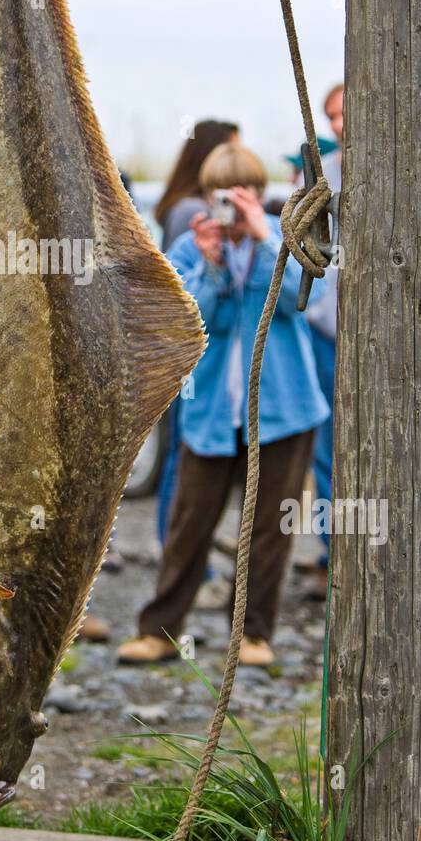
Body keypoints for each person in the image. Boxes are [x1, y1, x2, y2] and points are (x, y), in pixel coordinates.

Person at [117, 143, 329, 669]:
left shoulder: (282, 243)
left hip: (284, 410)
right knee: (190, 524)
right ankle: (161, 631)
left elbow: (296, 306)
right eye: (222, 196)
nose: (233, 205)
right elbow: (192, 323)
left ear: (260, 196)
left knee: (269, 530)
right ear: (206, 199)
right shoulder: (191, 249)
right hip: (212, 413)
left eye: (246, 193)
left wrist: (264, 241)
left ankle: (253, 636)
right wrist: (211, 266)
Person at [154, 121, 240, 548]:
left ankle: (178, 546)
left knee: (176, 452)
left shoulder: (178, 205)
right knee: (178, 458)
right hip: (191, 361)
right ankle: (176, 544)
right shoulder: (193, 214)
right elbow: (179, 291)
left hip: (181, 356)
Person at [304, 83, 344, 596]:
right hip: (324, 330)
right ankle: (333, 550)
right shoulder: (321, 175)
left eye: (344, 113)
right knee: (326, 447)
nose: (338, 124)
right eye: (331, 116)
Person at [156, 120, 240, 253]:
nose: (241, 160)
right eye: (232, 153)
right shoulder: (192, 210)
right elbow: (179, 268)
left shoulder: (189, 206)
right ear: (209, 157)